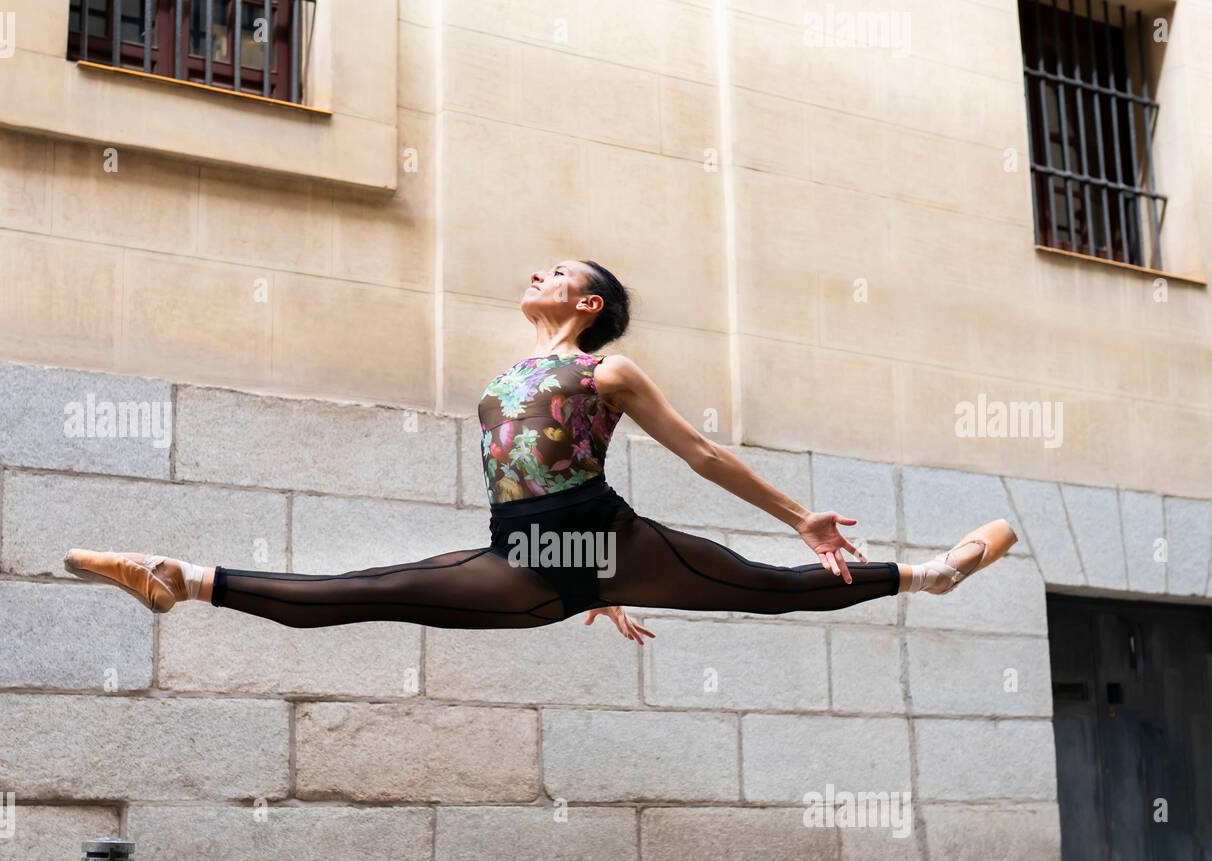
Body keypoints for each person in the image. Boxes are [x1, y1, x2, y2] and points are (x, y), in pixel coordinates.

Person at [65, 259, 1016, 645]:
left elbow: (699, 453)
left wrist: (800, 515)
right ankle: (179, 580)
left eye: (557, 272)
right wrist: (593, 584)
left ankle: (929, 574)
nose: (536, 274)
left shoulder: (608, 371)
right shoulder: (508, 376)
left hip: (598, 534)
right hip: (528, 556)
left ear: (587, 304)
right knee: (370, 591)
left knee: (771, 586)